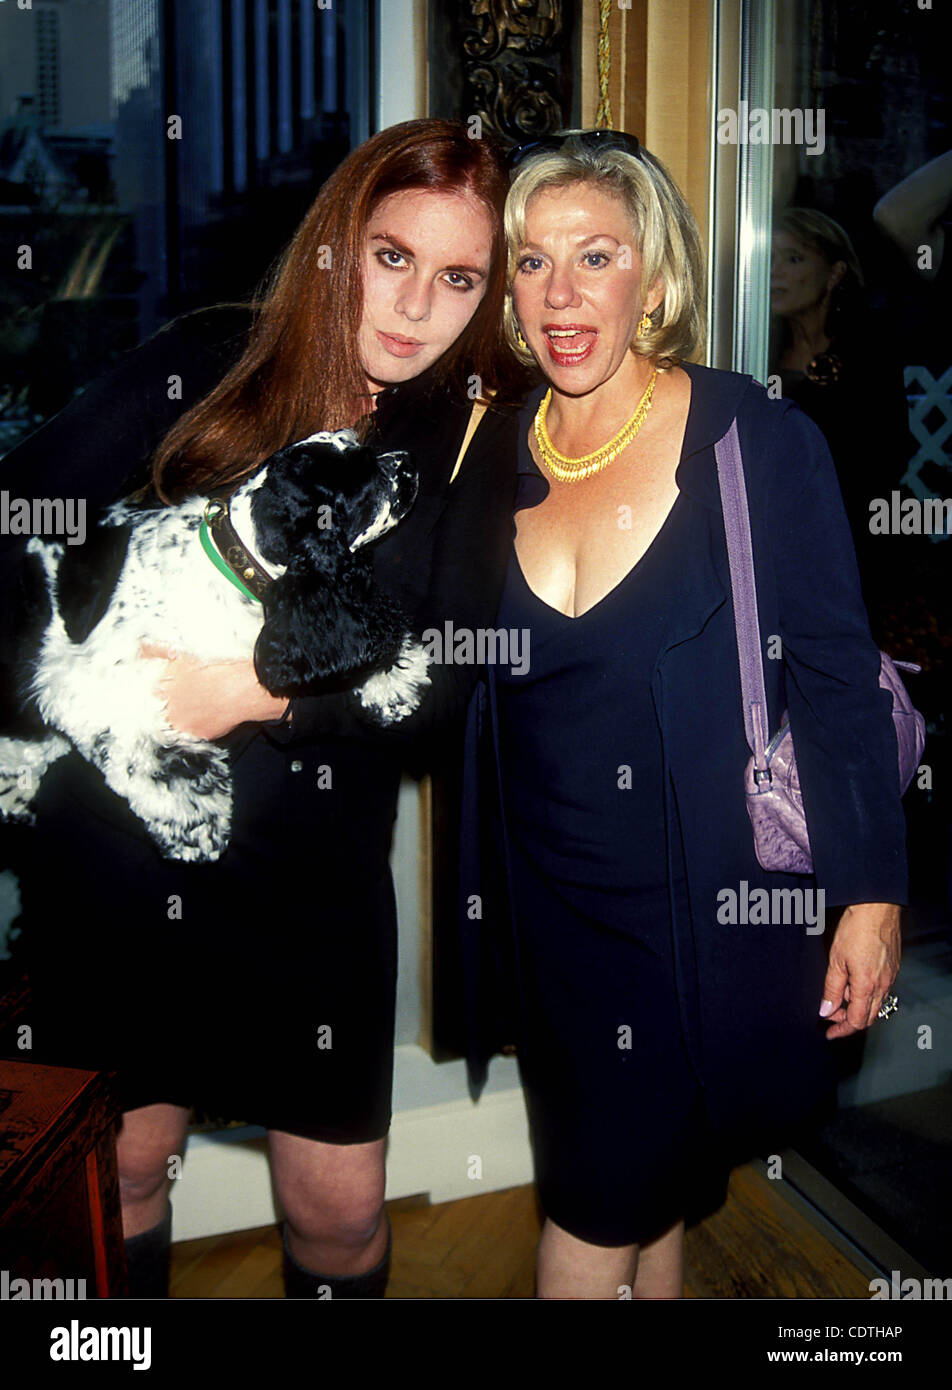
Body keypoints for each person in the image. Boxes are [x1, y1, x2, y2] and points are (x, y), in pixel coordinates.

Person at [0, 118, 527, 1299]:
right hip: (121, 856)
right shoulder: (215, 356)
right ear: (340, 242)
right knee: (126, 1173)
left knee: (339, 1218)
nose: (414, 305)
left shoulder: (469, 435)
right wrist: (57, 697)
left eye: (457, 278)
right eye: (391, 256)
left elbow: (448, 673)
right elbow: (16, 510)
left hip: (310, 879)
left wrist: (254, 688)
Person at [460, 130, 909, 1299]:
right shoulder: (486, 446)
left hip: (699, 915)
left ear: (652, 279)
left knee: (589, 1218)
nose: (559, 294)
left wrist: (870, 895)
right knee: (641, 1192)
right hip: (551, 916)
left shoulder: (755, 438)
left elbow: (835, 675)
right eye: (530, 261)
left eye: (595, 256)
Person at [769, 208, 911, 595]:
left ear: (835, 273)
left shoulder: (869, 350)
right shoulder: (751, 346)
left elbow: (887, 452)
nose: (773, 271)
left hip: (853, 549)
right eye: (768, 258)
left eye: (793, 259)